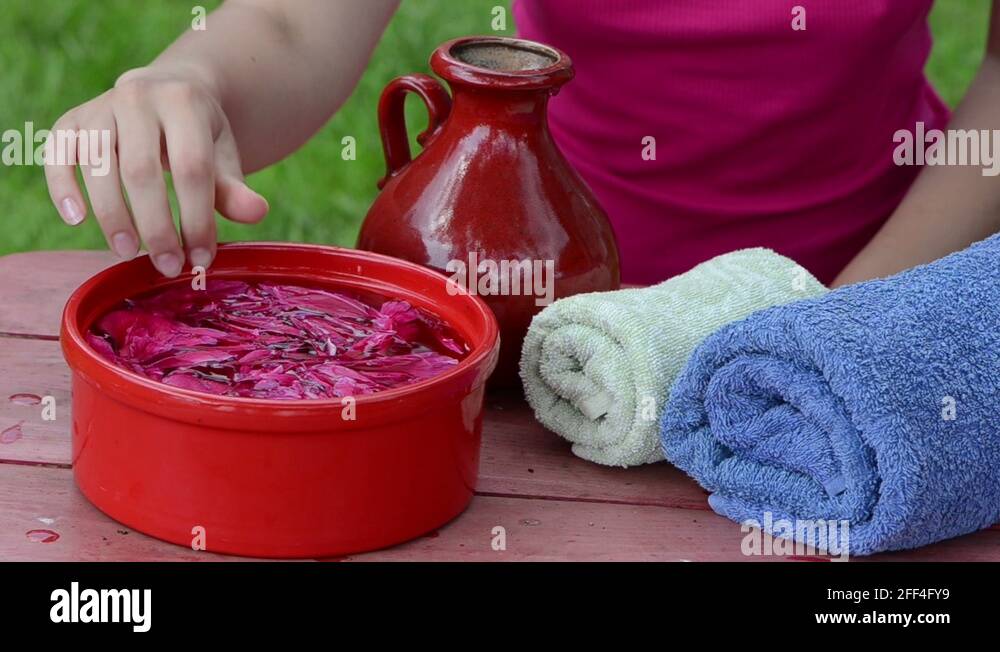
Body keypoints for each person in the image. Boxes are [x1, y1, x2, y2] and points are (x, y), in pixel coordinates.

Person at [44, 0, 1000, 287]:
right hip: (564, 328)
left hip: (899, 285)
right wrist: (188, 82)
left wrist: (851, 316)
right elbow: (295, 23)